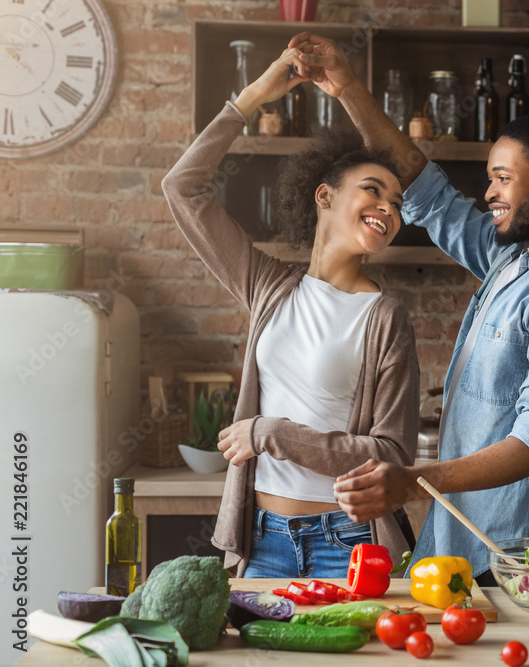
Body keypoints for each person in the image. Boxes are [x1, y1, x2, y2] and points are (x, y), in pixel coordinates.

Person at [287, 33, 529, 582]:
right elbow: (427, 189)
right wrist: (346, 86)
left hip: (515, 563)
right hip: (458, 548)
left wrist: (418, 477)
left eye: (503, 178)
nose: (488, 192)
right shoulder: (508, 258)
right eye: (490, 177)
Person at [160, 47, 420, 579]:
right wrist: (254, 96)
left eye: (396, 204)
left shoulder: (384, 317)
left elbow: (391, 456)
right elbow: (182, 189)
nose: (388, 210)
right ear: (324, 196)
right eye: (373, 191)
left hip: (347, 545)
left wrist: (271, 432)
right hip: (262, 541)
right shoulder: (267, 286)